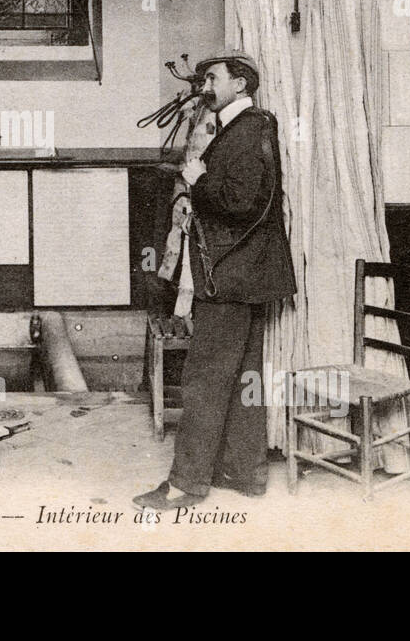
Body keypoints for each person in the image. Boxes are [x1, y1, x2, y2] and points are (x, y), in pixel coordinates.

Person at [134, 50, 296, 511]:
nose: (205, 84)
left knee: (204, 379)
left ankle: (186, 484)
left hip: (229, 274)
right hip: (247, 274)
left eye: (213, 77)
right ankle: (244, 474)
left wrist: (197, 179)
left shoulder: (246, 130)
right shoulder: (247, 128)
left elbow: (241, 203)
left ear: (240, 84)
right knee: (244, 376)